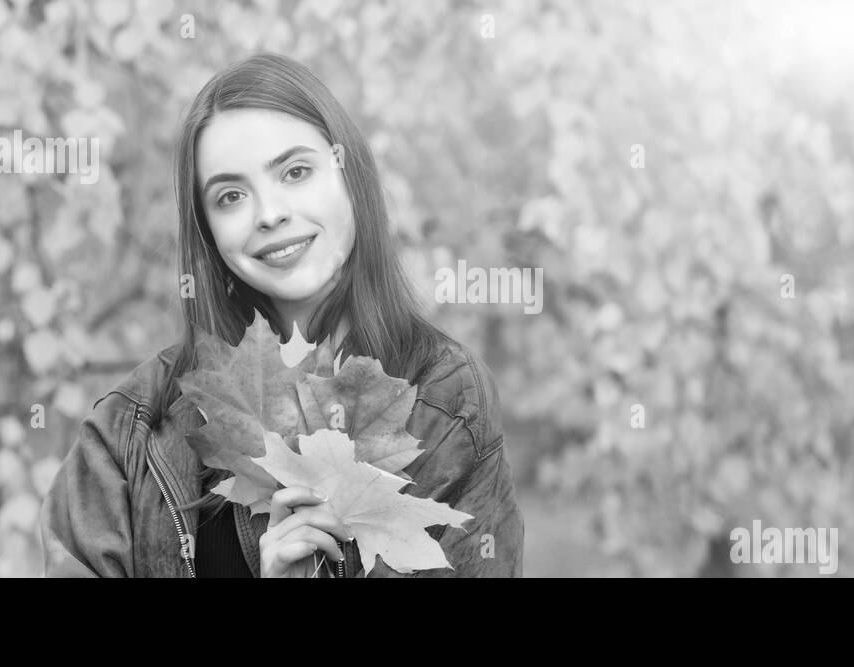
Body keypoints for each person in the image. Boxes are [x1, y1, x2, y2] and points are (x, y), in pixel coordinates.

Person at [39, 53, 524, 577]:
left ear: (349, 174)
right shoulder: (132, 428)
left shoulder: (444, 401)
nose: (269, 213)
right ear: (208, 231)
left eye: (295, 171)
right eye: (230, 196)